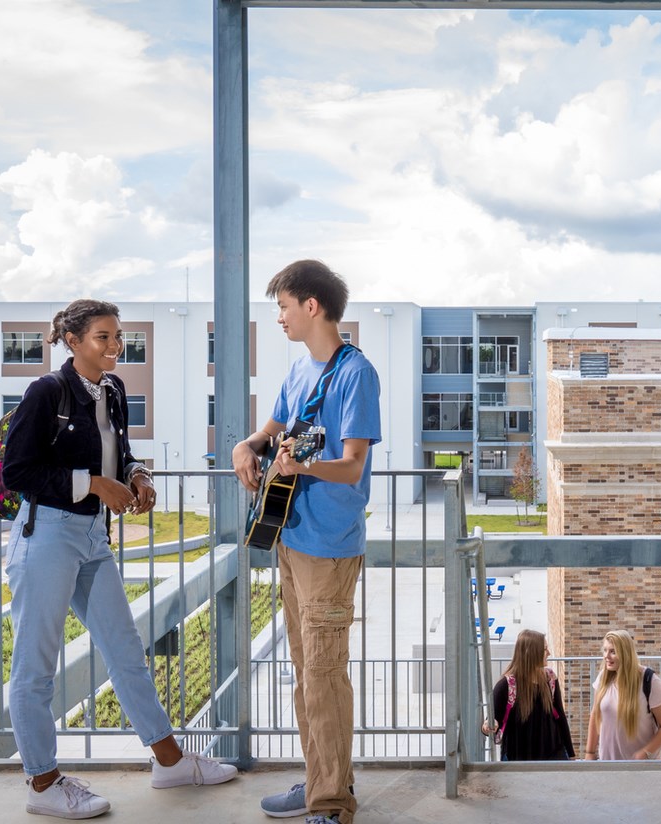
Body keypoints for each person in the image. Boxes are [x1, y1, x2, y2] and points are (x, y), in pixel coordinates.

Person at [2, 299, 237, 820]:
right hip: (47, 537)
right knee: (35, 667)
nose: (115, 346)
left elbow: (119, 450)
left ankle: (170, 762)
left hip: (91, 537)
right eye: (102, 337)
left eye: (117, 336)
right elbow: (17, 472)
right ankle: (42, 783)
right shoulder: (46, 393)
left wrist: (137, 475)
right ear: (72, 340)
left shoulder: (113, 389)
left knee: (126, 650)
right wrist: (93, 484)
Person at [231, 260, 381, 824]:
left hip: (330, 547)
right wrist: (248, 446)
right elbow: (269, 431)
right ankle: (320, 780)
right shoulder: (300, 370)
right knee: (305, 672)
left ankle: (332, 805)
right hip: (290, 539)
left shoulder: (355, 374)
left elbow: (353, 466)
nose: (280, 318)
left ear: (311, 306)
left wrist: (305, 466)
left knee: (323, 674)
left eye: (284, 307)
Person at [481, 629, 575, 761]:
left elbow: (560, 717)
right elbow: (491, 722)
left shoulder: (550, 678)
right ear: (531, 653)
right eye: (545, 649)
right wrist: (488, 726)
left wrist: (571, 754)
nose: (549, 653)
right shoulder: (506, 685)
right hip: (518, 760)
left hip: (554, 756)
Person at [584, 629, 661, 761]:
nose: (606, 656)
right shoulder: (603, 677)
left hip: (642, 769)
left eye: (613, 652)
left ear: (625, 654)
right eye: (605, 650)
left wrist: (645, 753)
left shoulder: (650, 681)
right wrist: (590, 753)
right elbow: (595, 715)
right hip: (608, 765)